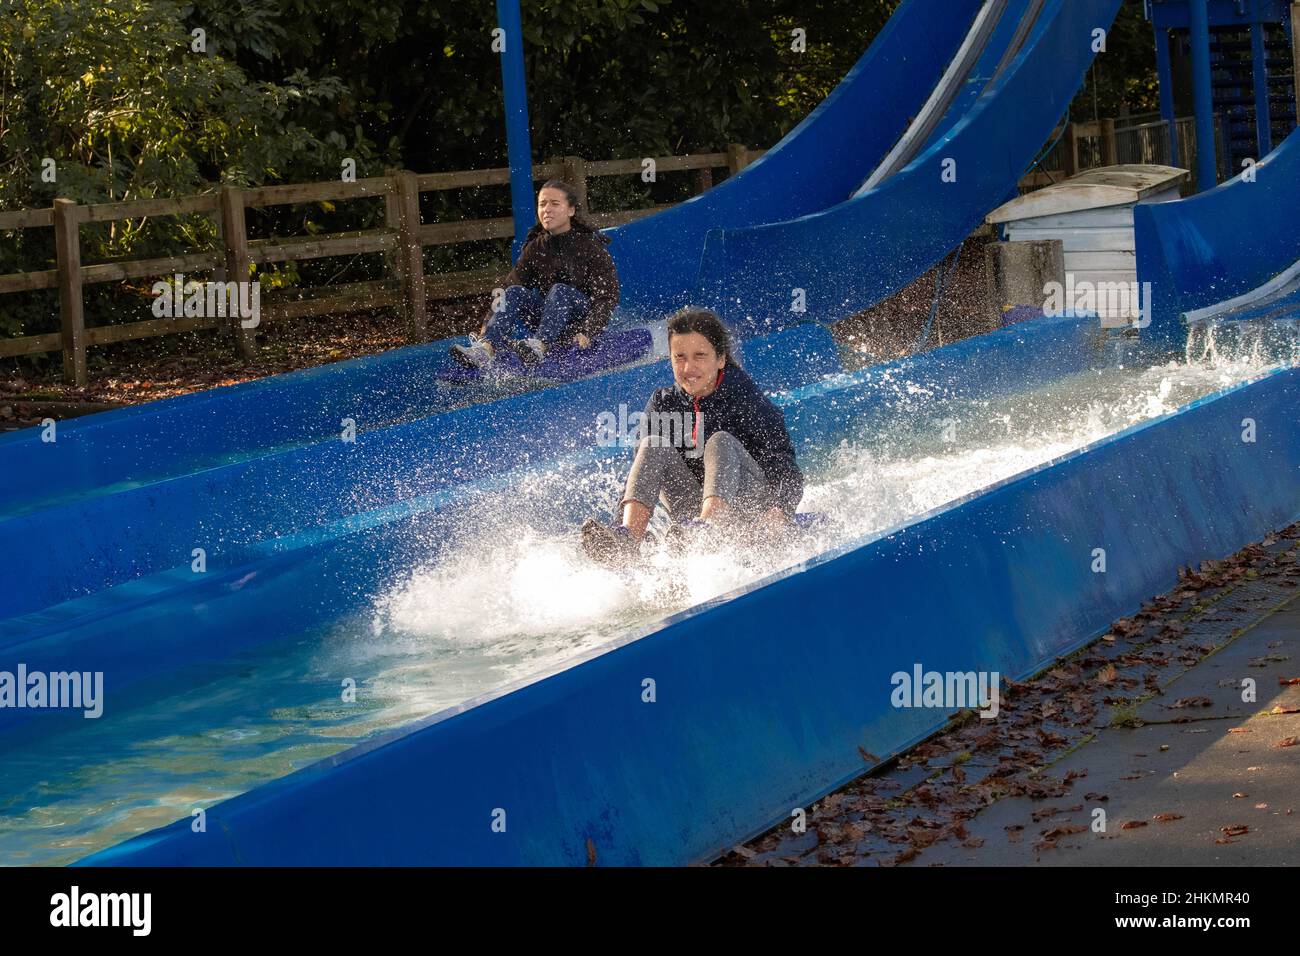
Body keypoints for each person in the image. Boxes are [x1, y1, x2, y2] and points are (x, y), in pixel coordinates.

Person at [581, 307, 804, 567]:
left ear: (720, 358)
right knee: (652, 444)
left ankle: (708, 529)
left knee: (720, 441)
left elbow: (785, 465)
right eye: (679, 357)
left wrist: (781, 509)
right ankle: (627, 540)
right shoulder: (663, 403)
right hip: (690, 514)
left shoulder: (746, 400)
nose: (689, 367)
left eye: (700, 356)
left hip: (749, 510)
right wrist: (619, 518)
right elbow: (643, 474)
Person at [450, 180, 620, 371]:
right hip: (548, 321)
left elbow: (607, 297)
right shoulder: (535, 248)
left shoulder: (590, 247)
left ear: (571, 210)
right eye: (542, 204)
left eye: (555, 204)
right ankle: (486, 349)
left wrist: (588, 331)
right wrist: (487, 324)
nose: (547, 209)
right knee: (513, 292)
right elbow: (507, 288)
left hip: (580, 320)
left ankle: (539, 346)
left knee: (559, 290)